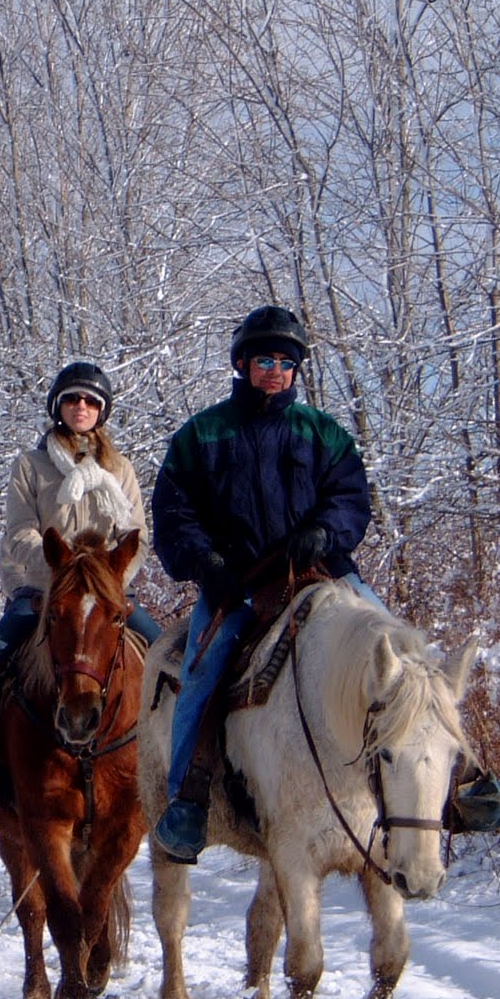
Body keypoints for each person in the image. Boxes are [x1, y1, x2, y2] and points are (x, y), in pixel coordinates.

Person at [149, 305, 380, 862]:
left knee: (393, 642)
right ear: (241, 364)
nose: (274, 370)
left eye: (285, 361)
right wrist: (206, 563)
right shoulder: (201, 436)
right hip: (238, 584)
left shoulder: (322, 433)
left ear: (296, 371)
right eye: (263, 360)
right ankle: (189, 799)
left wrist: (326, 532)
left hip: (320, 574)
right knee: (202, 669)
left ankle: (461, 778)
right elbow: (174, 511)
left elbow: (350, 498)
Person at [0, 361, 163, 830]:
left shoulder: (119, 469)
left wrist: (105, 575)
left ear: (101, 412)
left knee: (168, 656)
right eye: (72, 399)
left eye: (90, 401)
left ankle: (181, 779)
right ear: (58, 407)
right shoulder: (32, 467)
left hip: (104, 594)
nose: (81, 407)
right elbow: (21, 532)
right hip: (43, 590)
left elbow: (136, 537)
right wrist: (65, 570)